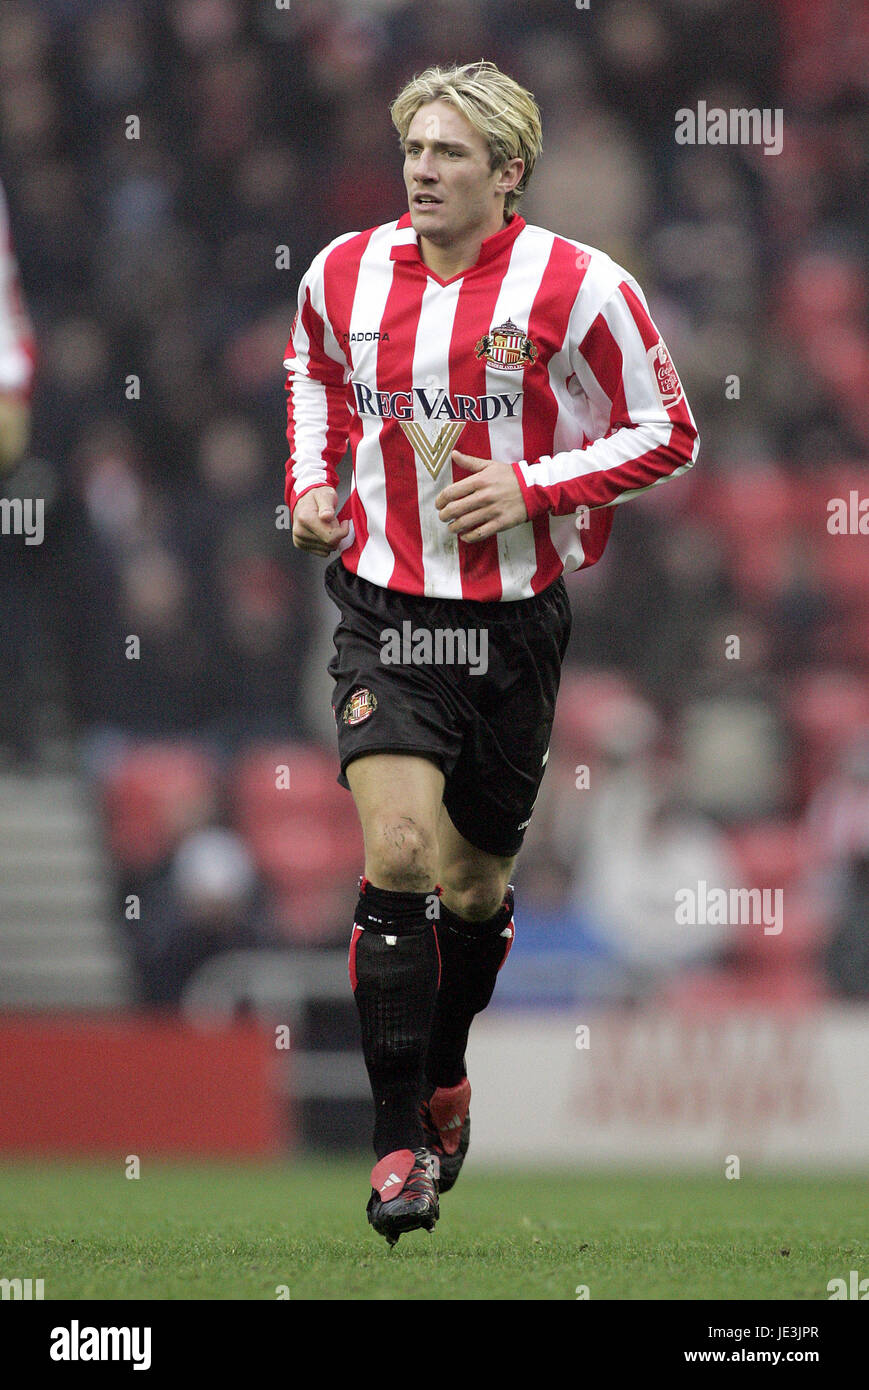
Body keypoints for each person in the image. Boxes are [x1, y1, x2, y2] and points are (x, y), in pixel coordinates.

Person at [283, 61, 698, 1245]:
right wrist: (308, 482)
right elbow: (313, 370)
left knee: (471, 888)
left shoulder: (582, 285)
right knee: (399, 853)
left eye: (449, 153)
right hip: (383, 611)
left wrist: (532, 485)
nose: (422, 169)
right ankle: (394, 1145)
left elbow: (668, 429)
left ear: (507, 171)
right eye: (413, 148)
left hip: (511, 623)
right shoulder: (342, 272)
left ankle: (445, 1072)